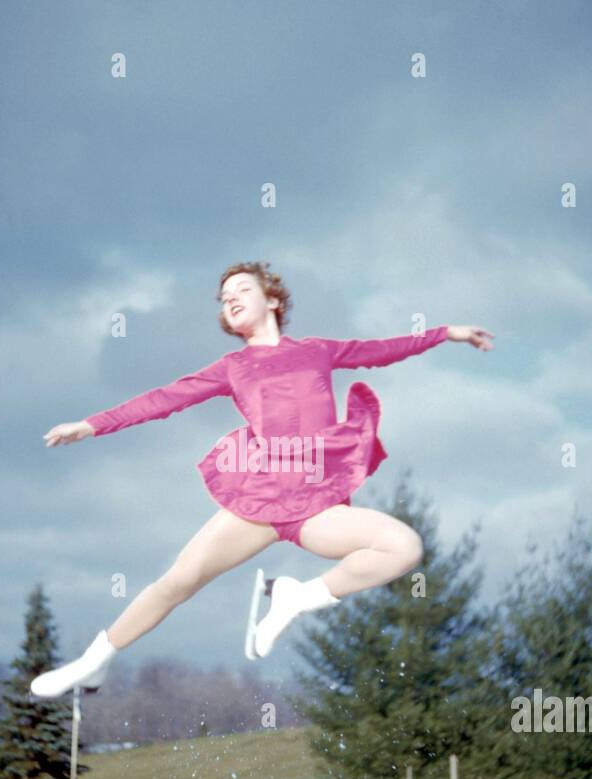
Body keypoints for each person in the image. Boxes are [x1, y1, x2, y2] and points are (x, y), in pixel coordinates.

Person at [30, 261, 493, 697]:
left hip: (318, 506)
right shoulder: (232, 368)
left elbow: (381, 350)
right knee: (177, 583)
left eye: (241, 289)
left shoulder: (317, 351)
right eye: (223, 297)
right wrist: (91, 424)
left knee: (404, 547)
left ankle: (296, 598)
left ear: (273, 300)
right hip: (258, 501)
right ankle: (95, 659)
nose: (229, 299)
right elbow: (164, 399)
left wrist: (445, 333)